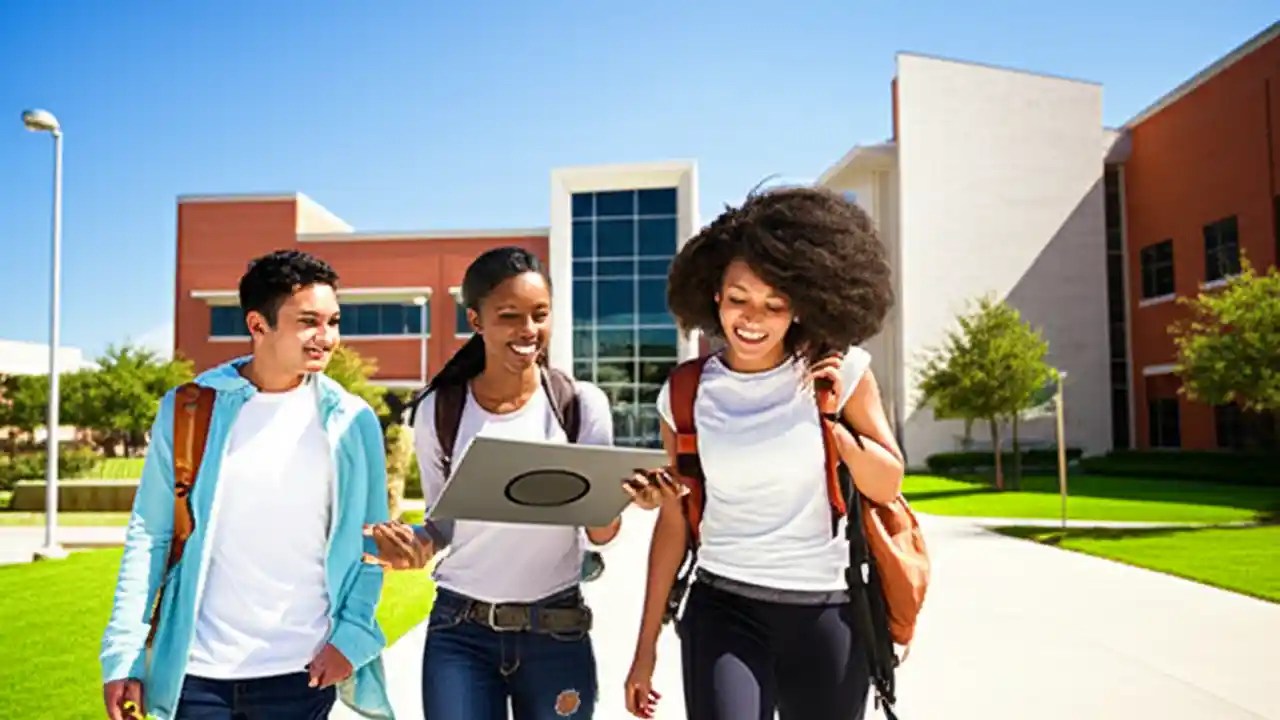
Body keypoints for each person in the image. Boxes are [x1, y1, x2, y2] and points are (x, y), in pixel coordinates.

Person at [623, 186, 905, 720]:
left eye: (775, 304)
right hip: (723, 607)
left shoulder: (839, 374)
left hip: (828, 612)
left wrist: (836, 432)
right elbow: (675, 525)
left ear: (800, 306)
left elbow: (888, 483)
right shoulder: (684, 393)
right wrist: (644, 652)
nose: (753, 318)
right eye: (738, 299)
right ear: (713, 297)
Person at [366, 246, 679, 719]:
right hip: (461, 633)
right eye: (509, 315)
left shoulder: (580, 405)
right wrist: (412, 546)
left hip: (556, 630)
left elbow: (599, 533)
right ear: (476, 319)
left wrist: (626, 503)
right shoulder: (442, 410)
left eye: (539, 314)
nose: (528, 330)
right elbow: (442, 525)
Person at [99, 250, 393, 720]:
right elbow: (149, 535)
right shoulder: (189, 410)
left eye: (334, 321)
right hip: (196, 676)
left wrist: (351, 637)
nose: (327, 338)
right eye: (309, 322)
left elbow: (371, 541)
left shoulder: (352, 422)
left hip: (302, 672)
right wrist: (123, 653)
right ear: (258, 325)